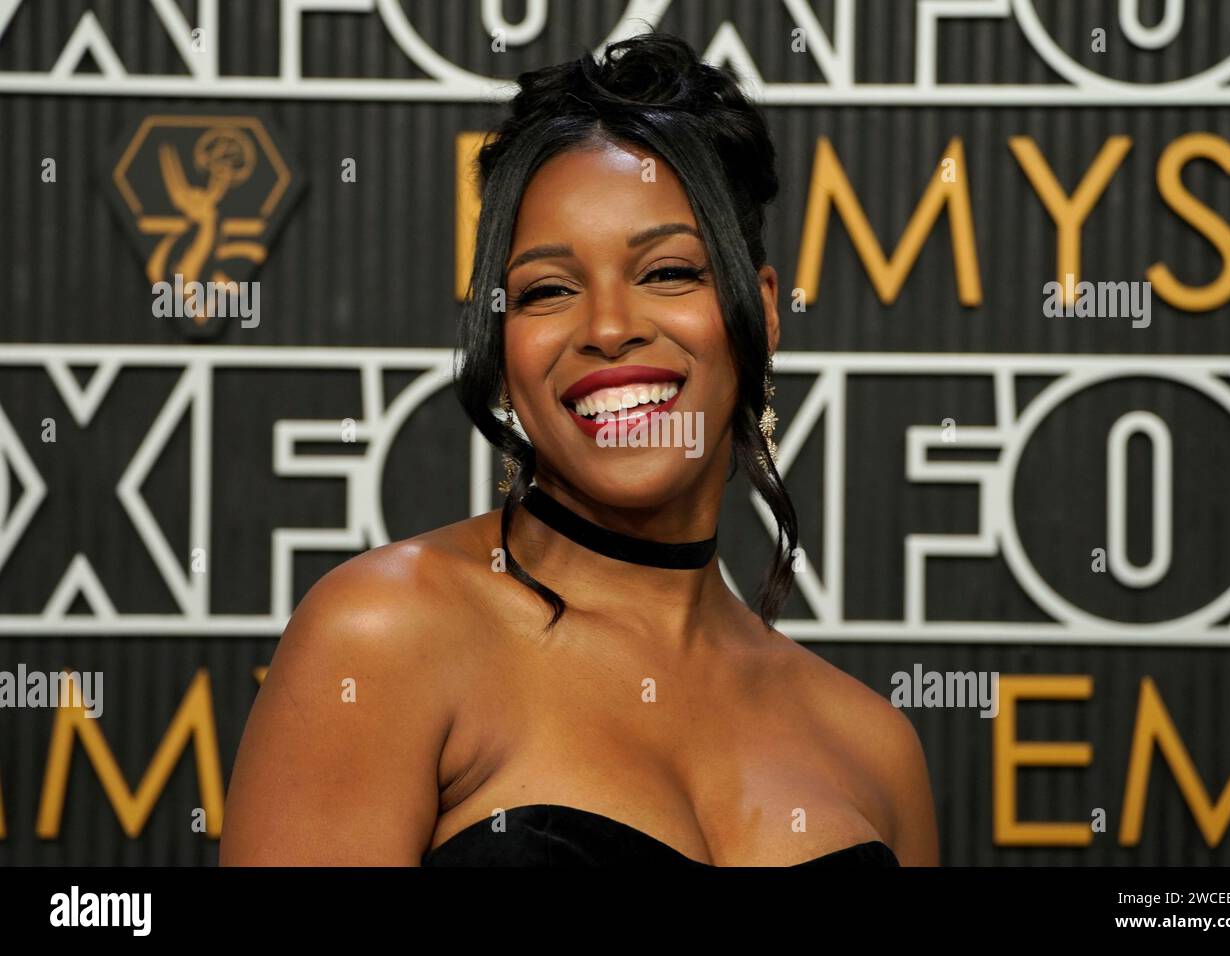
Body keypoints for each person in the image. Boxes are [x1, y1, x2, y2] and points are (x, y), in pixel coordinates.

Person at [220, 31, 939, 867]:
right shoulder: (383, 638)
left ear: (763, 310)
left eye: (668, 272)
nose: (607, 329)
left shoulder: (875, 747)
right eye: (548, 290)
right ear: (503, 336)